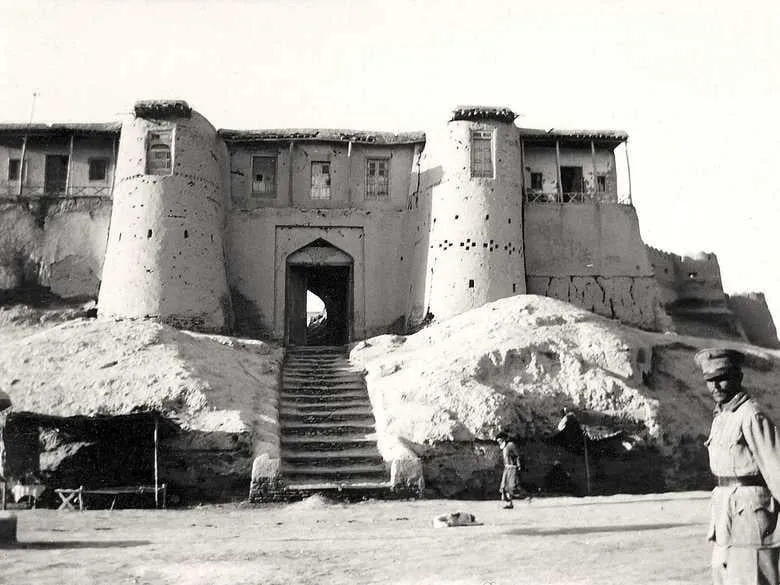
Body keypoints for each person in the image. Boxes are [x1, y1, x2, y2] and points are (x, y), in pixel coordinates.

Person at [695, 347, 780, 585]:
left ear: (738, 377)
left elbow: (776, 468)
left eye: (721, 378)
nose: (716, 387)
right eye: (710, 381)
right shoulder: (721, 417)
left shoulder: (752, 415)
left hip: (753, 522)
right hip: (725, 516)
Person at [496, 431, 522, 509]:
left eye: (500, 440)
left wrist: (518, 465)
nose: (499, 442)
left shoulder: (510, 445)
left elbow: (517, 455)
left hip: (512, 468)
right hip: (506, 468)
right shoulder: (503, 447)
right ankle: (508, 502)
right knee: (503, 486)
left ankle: (510, 503)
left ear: (503, 439)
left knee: (510, 486)